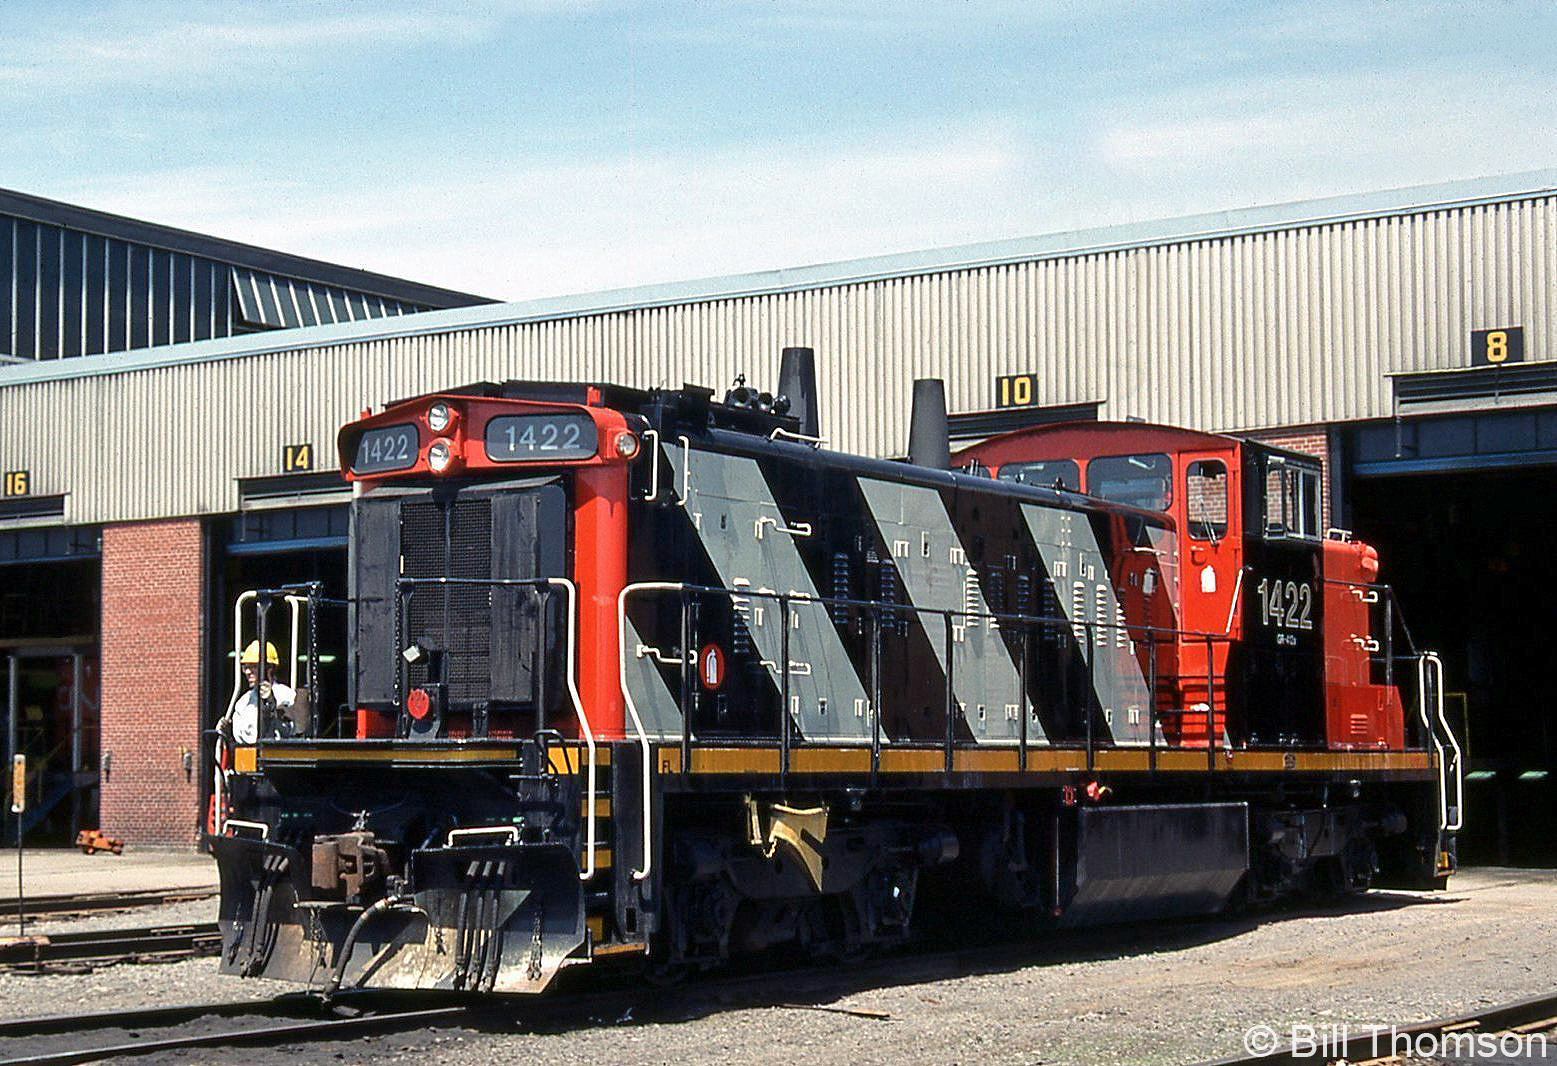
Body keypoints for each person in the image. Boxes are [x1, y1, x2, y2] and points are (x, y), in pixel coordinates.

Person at [228, 641, 296, 744]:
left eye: (253, 666)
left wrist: (271, 704)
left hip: (276, 753)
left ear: (270, 668)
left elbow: (291, 731)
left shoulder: (287, 696)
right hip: (249, 753)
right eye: (246, 667)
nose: (248, 672)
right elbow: (240, 739)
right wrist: (227, 734)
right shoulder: (243, 702)